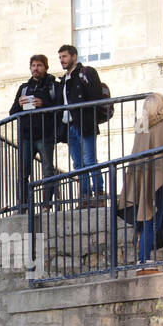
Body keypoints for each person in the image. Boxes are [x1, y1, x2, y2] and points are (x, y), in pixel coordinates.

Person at [121, 93, 163, 263]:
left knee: (145, 217)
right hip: (158, 177)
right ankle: (144, 259)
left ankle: (142, 256)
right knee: (153, 218)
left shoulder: (141, 127)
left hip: (141, 177)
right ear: (162, 106)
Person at [9, 54, 61, 210]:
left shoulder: (53, 86)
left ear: (45, 67)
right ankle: (23, 205)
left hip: (45, 135)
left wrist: (43, 104)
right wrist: (19, 104)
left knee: (48, 171)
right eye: (33, 66)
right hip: (26, 135)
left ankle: (46, 204)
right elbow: (12, 112)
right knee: (23, 173)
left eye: (39, 65)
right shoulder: (24, 88)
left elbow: (59, 109)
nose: (35, 69)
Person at [58, 44, 106, 205]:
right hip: (69, 125)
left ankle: (98, 192)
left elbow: (96, 96)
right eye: (60, 57)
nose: (62, 60)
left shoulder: (87, 72)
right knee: (78, 163)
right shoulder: (64, 79)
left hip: (84, 123)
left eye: (64, 56)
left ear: (74, 56)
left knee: (89, 159)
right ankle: (85, 196)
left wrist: (88, 116)